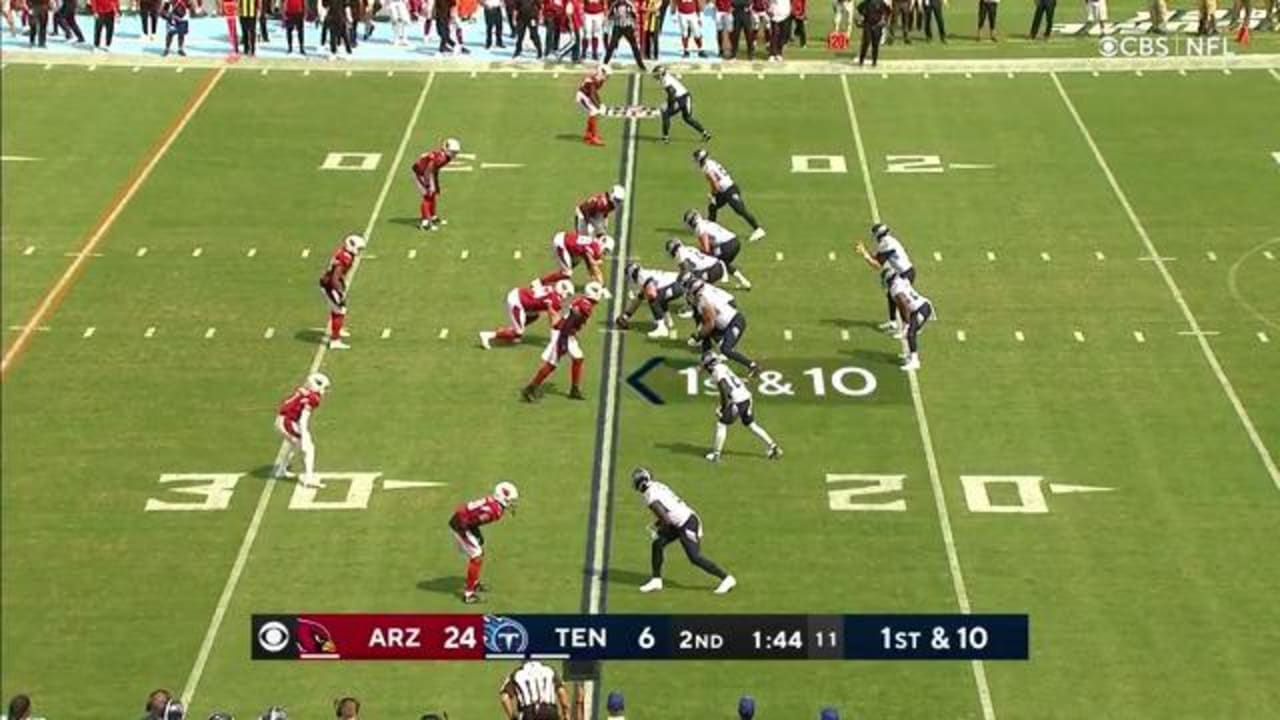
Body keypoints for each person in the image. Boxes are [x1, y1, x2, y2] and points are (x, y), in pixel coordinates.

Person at [632, 467, 737, 594]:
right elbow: (668, 511)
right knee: (658, 544)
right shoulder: (657, 485)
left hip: (687, 523)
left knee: (694, 557)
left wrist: (659, 530)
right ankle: (656, 580)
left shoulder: (650, 496)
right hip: (679, 521)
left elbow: (666, 520)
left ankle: (727, 578)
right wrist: (658, 525)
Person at [521, 282, 604, 401]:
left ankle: (574, 390)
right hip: (562, 333)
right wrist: (563, 342)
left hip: (566, 332)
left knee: (578, 358)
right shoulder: (585, 307)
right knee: (552, 363)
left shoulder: (583, 303)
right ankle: (530, 388)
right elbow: (569, 323)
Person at [700, 352, 780, 461]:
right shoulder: (723, 366)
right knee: (751, 424)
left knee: (721, 424)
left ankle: (716, 455)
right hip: (746, 397)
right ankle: (773, 446)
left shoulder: (717, 372)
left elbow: (724, 389)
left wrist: (723, 408)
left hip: (737, 401)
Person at [448, 481, 519, 603]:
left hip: (463, 521)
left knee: (479, 551)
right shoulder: (494, 511)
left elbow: (472, 516)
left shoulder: (493, 503)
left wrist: (476, 533)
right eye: (509, 499)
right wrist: (468, 533)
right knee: (477, 557)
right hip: (461, 525)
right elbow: (470, 520)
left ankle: (474, 583)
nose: (511, 502)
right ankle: (469, 594)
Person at [686, 277, 759, 374]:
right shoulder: (705, 293)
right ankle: (707, 361)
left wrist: (697, 337)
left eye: (691, 292)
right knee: (706, 335)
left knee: (726, 349)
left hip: (734, 321)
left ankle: (752, 366)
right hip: (724, 322)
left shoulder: (704, 302)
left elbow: (710, 324)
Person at [479, 278, 574, 349]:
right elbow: (552, 318)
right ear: (563, 291)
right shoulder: (555, 300)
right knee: (518, 333)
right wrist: (555, 336)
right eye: (568, 294)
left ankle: (510, 331)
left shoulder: (550, 289)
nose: (567, 297)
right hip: (517, 302)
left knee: (535, 315)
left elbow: (533, 287)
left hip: (520, 295)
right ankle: (487, 335)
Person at [694, 149, 766, 242]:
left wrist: (713, 194)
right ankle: (710, 229)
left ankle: (758, 229)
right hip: (724, 190)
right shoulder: (711, 162)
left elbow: (715, 183)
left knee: (740, 210)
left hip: (729, 190)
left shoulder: (706, 168)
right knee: (712, 207)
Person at [274, 372, 330, 488]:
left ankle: (281, 470)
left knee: (291, 444)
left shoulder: (304, 390)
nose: (323, 391)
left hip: (283, 419)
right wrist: (304, 437)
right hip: (287, 422)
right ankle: (308, 479)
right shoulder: (313, 398)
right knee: (309, 448)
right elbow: (303, 420)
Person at [854, 222, 914, 333]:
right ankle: (893, 322)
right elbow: (877, 258)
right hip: (901, 272)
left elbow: (876, 265)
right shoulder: (887, 241)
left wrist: (864, 254)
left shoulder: (887, 244)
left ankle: (907, 326)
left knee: (901, 300)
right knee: (891, 296)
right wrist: (866, 252)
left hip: (905, 274)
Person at [616, 261, 686, 339]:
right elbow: (638, 300)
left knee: (652, 297)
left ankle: (662, 327)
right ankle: (667, 321)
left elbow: (652, 294)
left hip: (678, 285)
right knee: (657, 296)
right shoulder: (643, 275)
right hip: (677, 284)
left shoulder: (643, 277)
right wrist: (625, 316)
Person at [319, 233, 366, 349]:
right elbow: (335, 277)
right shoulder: (345, 257)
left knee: (338, 309)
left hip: (330, 283)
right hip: (330, 285)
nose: (359, 251)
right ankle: (335, 340)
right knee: (340, 310)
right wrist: (339, 291)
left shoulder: (344, 252)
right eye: (358, 248)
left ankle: (337, 330)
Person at [686, 209, 750, 288]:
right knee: (723, 262)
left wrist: (699, 252)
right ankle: (743, 281)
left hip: (727, 245)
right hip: (735, 241)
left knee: (715, 261)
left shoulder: (700, 227)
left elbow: (707, 249)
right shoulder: (706, 222)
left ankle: (721, 276)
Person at [886, 268, 933, 371]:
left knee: (910, 333)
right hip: (918, 308)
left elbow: (904, 305)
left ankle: (915, 361)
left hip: (921, 309)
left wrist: (906, 323)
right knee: (909, 332)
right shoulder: (901, 281)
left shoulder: (895, 289)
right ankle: (910, 356)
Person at [411, 137, 461, 231]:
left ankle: (432, 217)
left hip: (427, 173)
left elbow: (434, 170)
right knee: (427, 196)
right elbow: (428, 170)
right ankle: (425, 223)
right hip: (420, 173)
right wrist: (427, 185)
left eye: (456, 152)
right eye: (453, 151)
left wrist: (436, 183)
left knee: (432, 194)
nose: (455, 154)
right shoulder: (441, 158)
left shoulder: (445, 156)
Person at [654, 66, 711, 143]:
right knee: (687, 118)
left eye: (657, 74)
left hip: (682, 98)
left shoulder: (666, 81)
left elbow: (672, 93)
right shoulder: (666, 78)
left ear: (661, 74)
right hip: (683, 97)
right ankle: (705, 134)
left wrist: (670, 104)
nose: (656, 76)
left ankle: (665, 137)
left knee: (667, 114)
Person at [499, 660, 571, 720]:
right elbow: (562, 693)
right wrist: (566, 713)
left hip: (529, 713)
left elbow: (505, 698)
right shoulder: (549, 670)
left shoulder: (517, 673)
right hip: (550, 711)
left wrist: (513, 717)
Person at [541, 229, 614, 286]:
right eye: (605, 250)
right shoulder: (595, 247)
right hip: (562, 243)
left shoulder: (594, 244)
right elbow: (593, 266)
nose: (603, 254)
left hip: (566, 241)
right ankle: (540, 283)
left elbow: (591, 267)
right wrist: (600, 283)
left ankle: (557, 282)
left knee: (577, 261)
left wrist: (597, 280)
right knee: (567, 273)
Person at [603, 0, 645, 69]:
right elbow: (609, 16)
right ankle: (605, 63)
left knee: (634, 46)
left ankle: (641, 64)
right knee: (612, 46)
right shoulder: (615, 4)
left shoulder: (629, 4)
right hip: (617, 27)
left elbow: (635, 16)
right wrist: (614, 16)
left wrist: (634, 26)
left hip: (628, 27)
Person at [576, 64, 611, 146]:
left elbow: (595, 93)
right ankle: (593, 137)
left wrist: (600, 103)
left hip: (587, 96)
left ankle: (588, 135)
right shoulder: (592, 81)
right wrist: (598, 106)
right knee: (594, 111)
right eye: (607, 75)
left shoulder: (600, 80)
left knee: (594, 112)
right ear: (601, 72)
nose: (607, 77)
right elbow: (592, 95)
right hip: (582, 97)